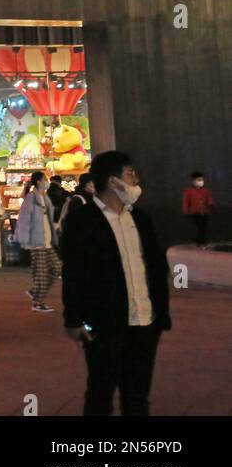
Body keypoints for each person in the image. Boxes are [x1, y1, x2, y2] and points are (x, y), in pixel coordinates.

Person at [61, 151, 171, 416]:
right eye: (130, 173)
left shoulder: (140, 218)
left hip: (145, 320)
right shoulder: (82, 220)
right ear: (114, 181)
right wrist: (74, 319)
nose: (136, 179)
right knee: (100, 393)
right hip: (105, 323)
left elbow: (154, 264)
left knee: (138, 395)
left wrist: (161, 310)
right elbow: (75, 272)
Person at [16, 172, 61, 312]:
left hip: (46, 239)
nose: (47, 182)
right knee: (41, 273)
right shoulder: (31, 198)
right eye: (45, 179)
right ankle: (38, 302)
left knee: (57, 267)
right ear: (39, 182)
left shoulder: (44, 197)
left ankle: (35, 291)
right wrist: (25, 239)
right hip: (36, 241)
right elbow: (24, 219)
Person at [182, 171, 214, 246]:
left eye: (202, 180)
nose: (201, 182)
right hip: (195, 212)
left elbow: (209, 198)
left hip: (205, 212)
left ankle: (202, 240)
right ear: (193, 181)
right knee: (199, 227)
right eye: (199, 180)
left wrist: (211, 203)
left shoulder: (205, 190)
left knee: (204, 227)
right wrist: (186, 211)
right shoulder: (188, 191)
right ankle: (200, 241)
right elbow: (185, 202)